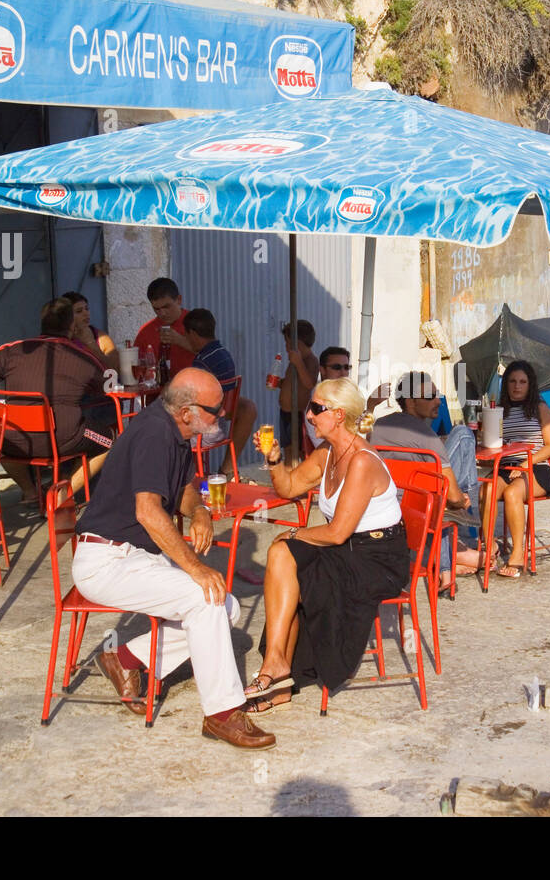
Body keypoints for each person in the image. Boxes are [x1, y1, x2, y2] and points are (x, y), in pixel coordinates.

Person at [71, 367, 275, 749]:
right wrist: (196, 569)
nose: (223, 417)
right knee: (206, 596)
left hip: (133, 555)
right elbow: (148, 512)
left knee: (226, 608)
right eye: (216, 410)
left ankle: (126, 660)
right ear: (187, 412)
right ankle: (222, 714)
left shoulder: (176, 434)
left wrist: (198, 511)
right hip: (106, 559)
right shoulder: (154, 434)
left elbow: (183, 489)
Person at [243, 378, 409, 713]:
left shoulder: (361, 461)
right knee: (282, 556)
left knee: (290, 562)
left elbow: (335, 533)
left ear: (337, 414)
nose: (308, 415)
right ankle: (276, 667)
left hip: (377, 558)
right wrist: (275, 461)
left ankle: (277, 675)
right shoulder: (327, 453)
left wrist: (292, 535)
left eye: (316, 409)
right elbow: (289, 488)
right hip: (347, 547)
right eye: (310, 407)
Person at [0, 297, 115, 502]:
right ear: (71, 326)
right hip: (64, 439)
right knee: (109, 440)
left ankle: (30, 492)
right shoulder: (82, 357)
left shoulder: (14, 350)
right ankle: (63, 494)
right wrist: (89, 344)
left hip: (16, 439)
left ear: (42, 324)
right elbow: (109, 385)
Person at [369, 370, 482, 591]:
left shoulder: (380, 426)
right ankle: (470, 536)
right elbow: (452, 496)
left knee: (437, 492)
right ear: (411, 402)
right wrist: (462, 501)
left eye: (437, 395)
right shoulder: (429, 440)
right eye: (430, 397)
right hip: (426, 510)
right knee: (463, 434)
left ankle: (446, 568)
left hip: (394, 504)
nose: (437, 401)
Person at [490, 360, 550, 579]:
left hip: (535, 467)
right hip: (507, 467)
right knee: (486, 491)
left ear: (530, 385)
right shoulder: (500, 411)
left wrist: (526, 464)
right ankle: (489, 548)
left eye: (522, 382)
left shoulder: (540, 408)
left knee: (512, 494)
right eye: (512, 381)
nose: (517, 386)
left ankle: (518, 553)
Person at [184, 307, 258, 467]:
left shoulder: (202, 362)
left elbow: (194, 404)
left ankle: (185, 478)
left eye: (187, 336)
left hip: (205, 433)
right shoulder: (224, 354)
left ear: (193, 334)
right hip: (223, 428)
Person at [135, 278, 195, 384]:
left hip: (194, 391)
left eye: (167, 306)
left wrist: (180, 340)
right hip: (158, 394)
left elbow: (213, 355)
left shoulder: (196, 322)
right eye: (157, 309)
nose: (162, 313)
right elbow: (136, 368)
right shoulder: (146, 331)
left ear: (179, 300)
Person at [278, 319, 320, 461]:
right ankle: (289, 476)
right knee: (288, 449)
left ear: (298, 344)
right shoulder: (294, 361)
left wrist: (299, 363)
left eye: (287, 343)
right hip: (286, 413)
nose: (286, 347)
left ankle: (300, 477)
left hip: (298, 414)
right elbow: (294, 383)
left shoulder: (310, 360)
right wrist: (280, 383)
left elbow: (309, 383)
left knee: (301, 450)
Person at [62, 290, 120, 373]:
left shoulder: (99, 336)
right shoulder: (62, 338)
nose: (86, 313)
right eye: (79, 311)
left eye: (86, 309)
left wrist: (91, 344)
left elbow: (115, 369)